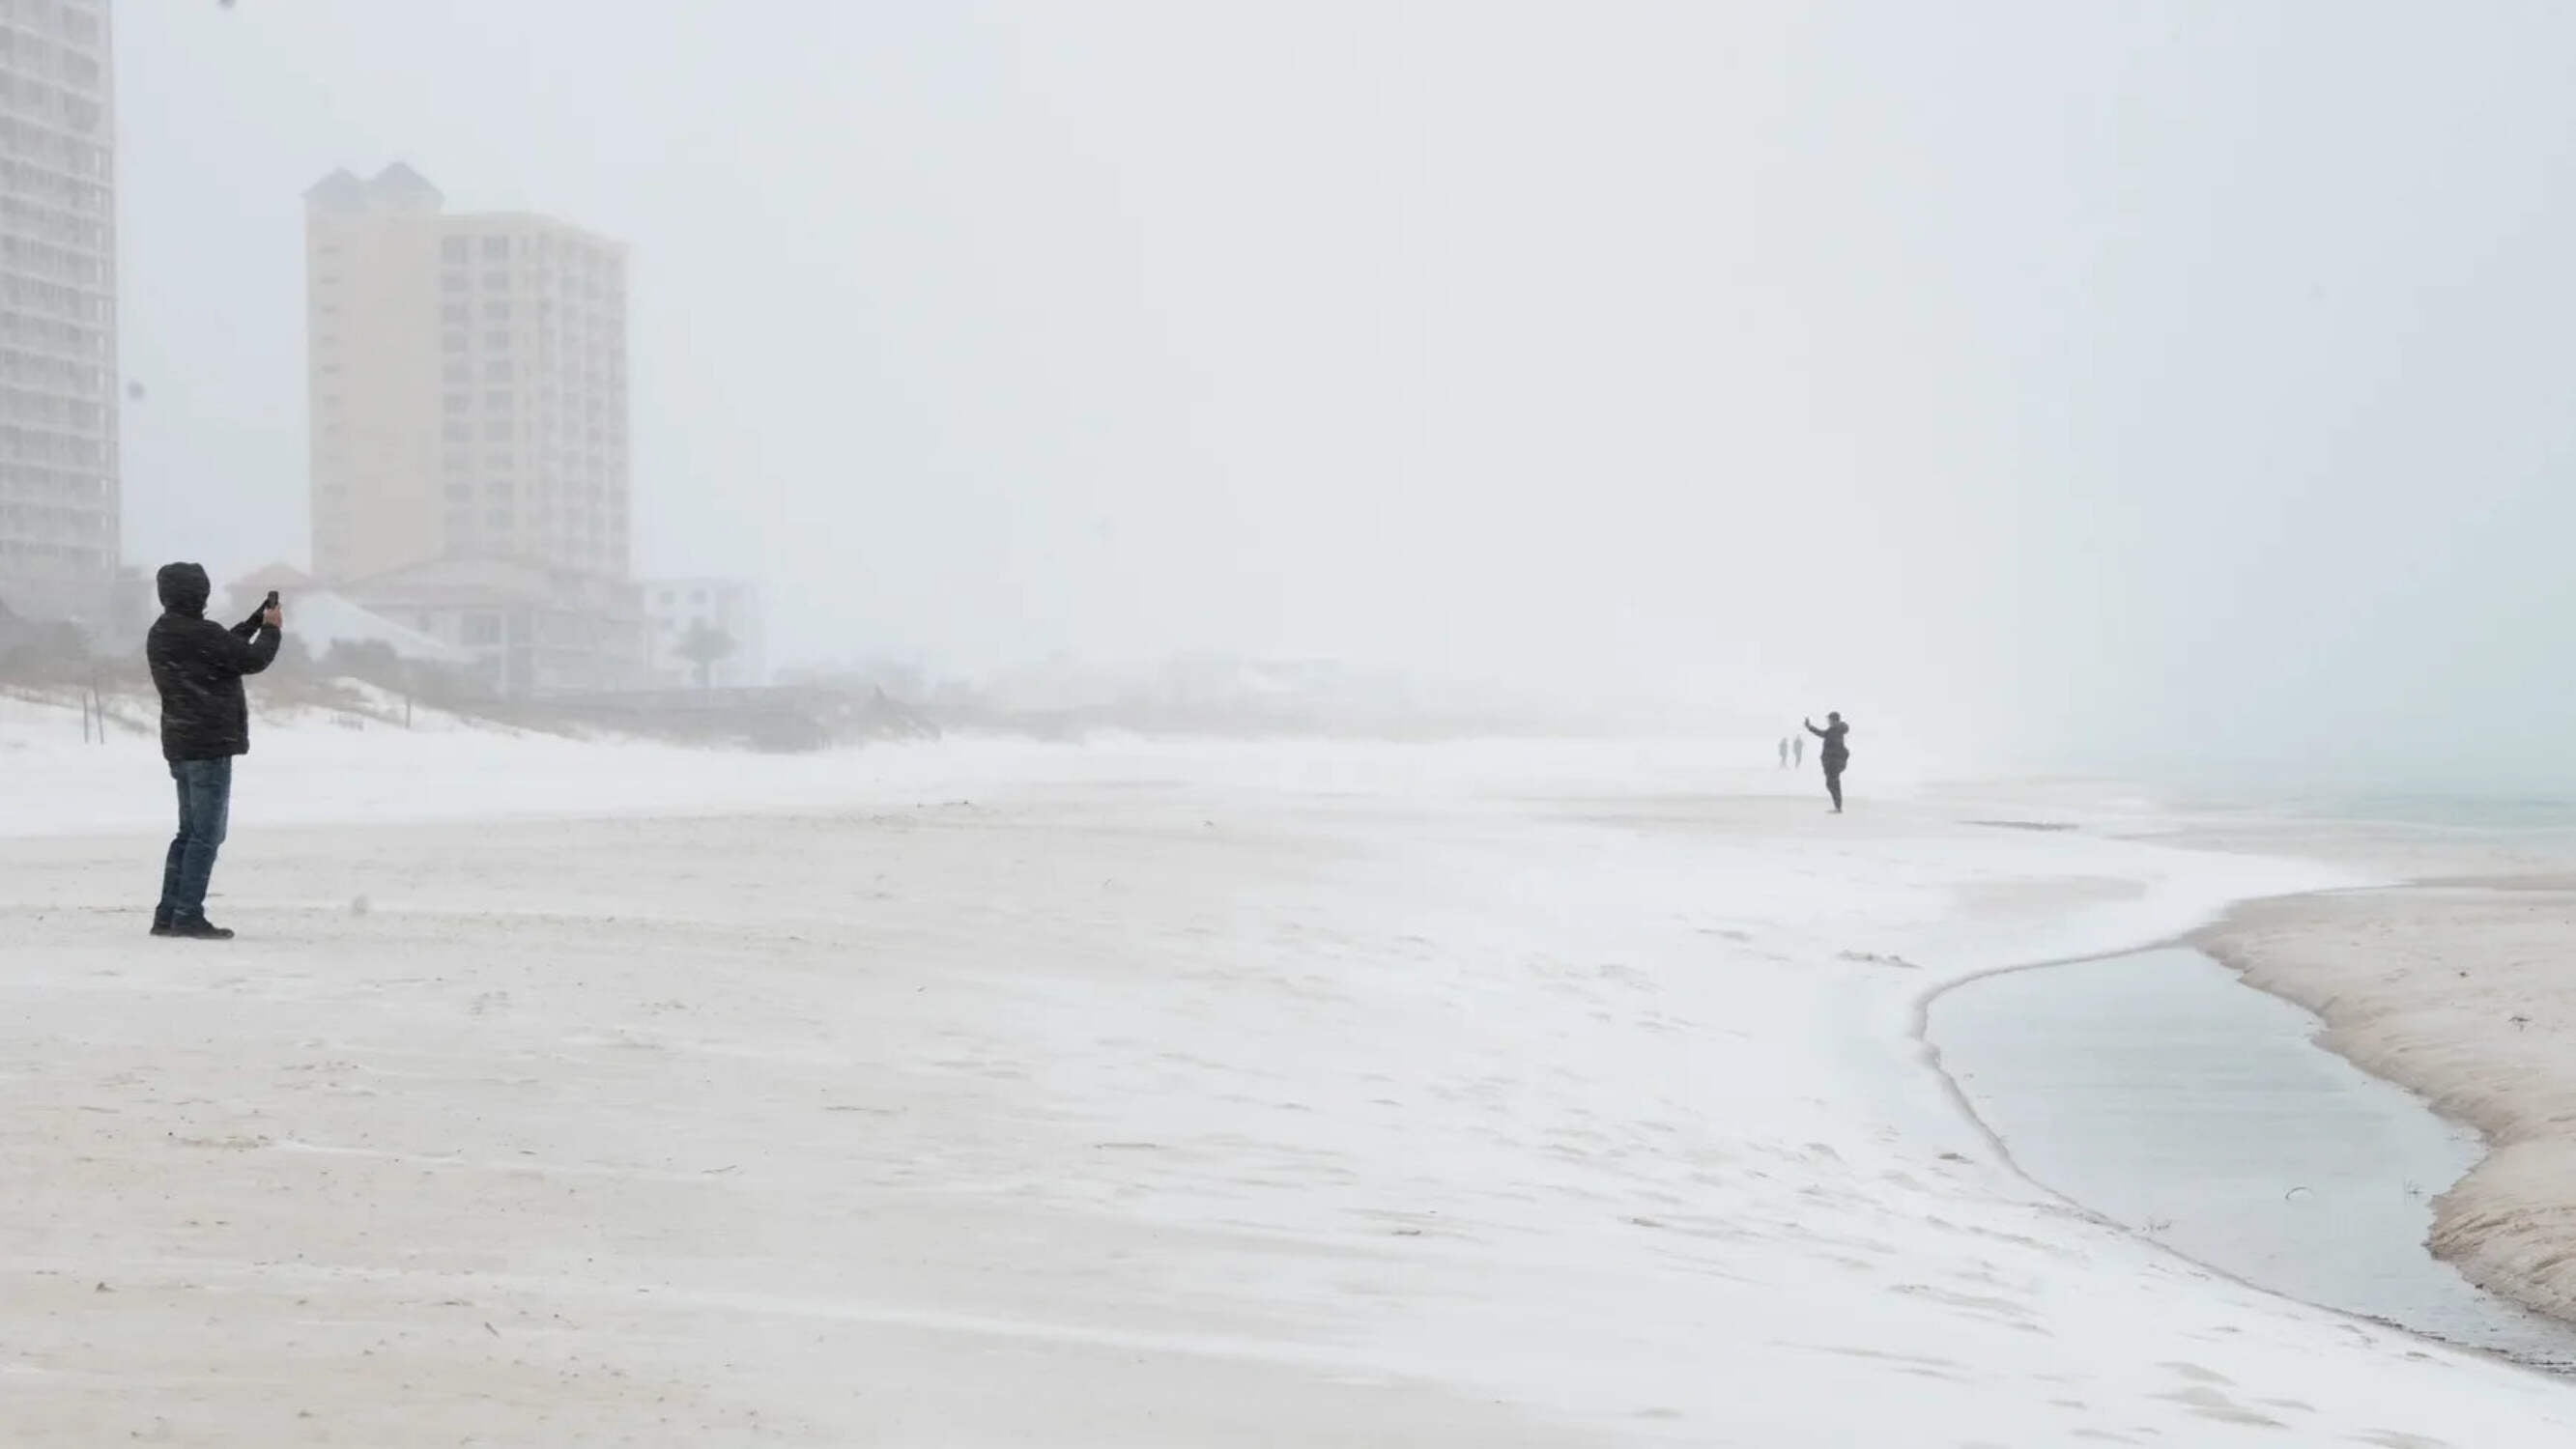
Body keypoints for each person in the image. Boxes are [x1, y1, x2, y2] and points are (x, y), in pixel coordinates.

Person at [146, 563, 281, 939]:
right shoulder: (200, 634)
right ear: (200, 594)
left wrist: (256, 622)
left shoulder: (163, 632)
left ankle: (168, 913)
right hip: (209, 746)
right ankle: (187, 915)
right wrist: (272, 630)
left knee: (188, 833)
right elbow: (249, 659)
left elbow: (223, 651)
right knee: (207, 835)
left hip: (181, 743)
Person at [1804, 711, 1850, 813]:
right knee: (1831, 784)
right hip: (1831, 763)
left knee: (1833, 784)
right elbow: (1823, 734)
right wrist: (1809, 727)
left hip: (1833, 763)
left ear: (1834, 720)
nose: (1828, 721)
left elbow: (1837, 747)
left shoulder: (1836, 730)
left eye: (1829, 719)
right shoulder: (1834, 730)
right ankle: (1838, 806)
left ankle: (1838, 807)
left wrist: (1831, 760)